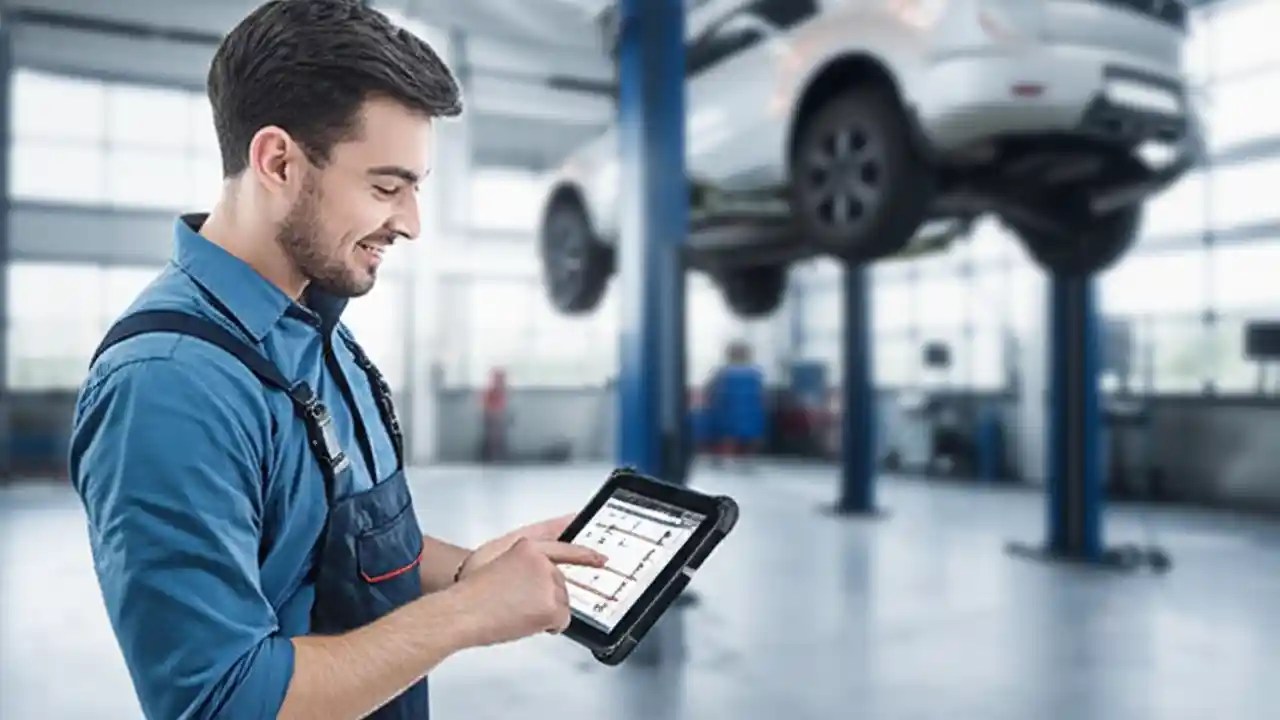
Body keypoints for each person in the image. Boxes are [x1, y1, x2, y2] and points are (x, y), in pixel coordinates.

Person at [67, 3, 606, 719]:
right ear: (278, 162)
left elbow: (339, 553)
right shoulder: (168, 386)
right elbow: (224, 701)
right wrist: (469, 612)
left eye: (417, 187)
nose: (411, 221)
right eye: (386, 187)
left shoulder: (316, 327)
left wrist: (474, 570)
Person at [706, 340, 767, 464]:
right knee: (750, 436)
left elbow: (711, 392)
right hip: (749, 413)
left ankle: (726, 457)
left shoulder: (723, 372)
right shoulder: (754, 373)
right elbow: (762, 395)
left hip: (728, 411)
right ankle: (748, 458)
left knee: (728, 436)